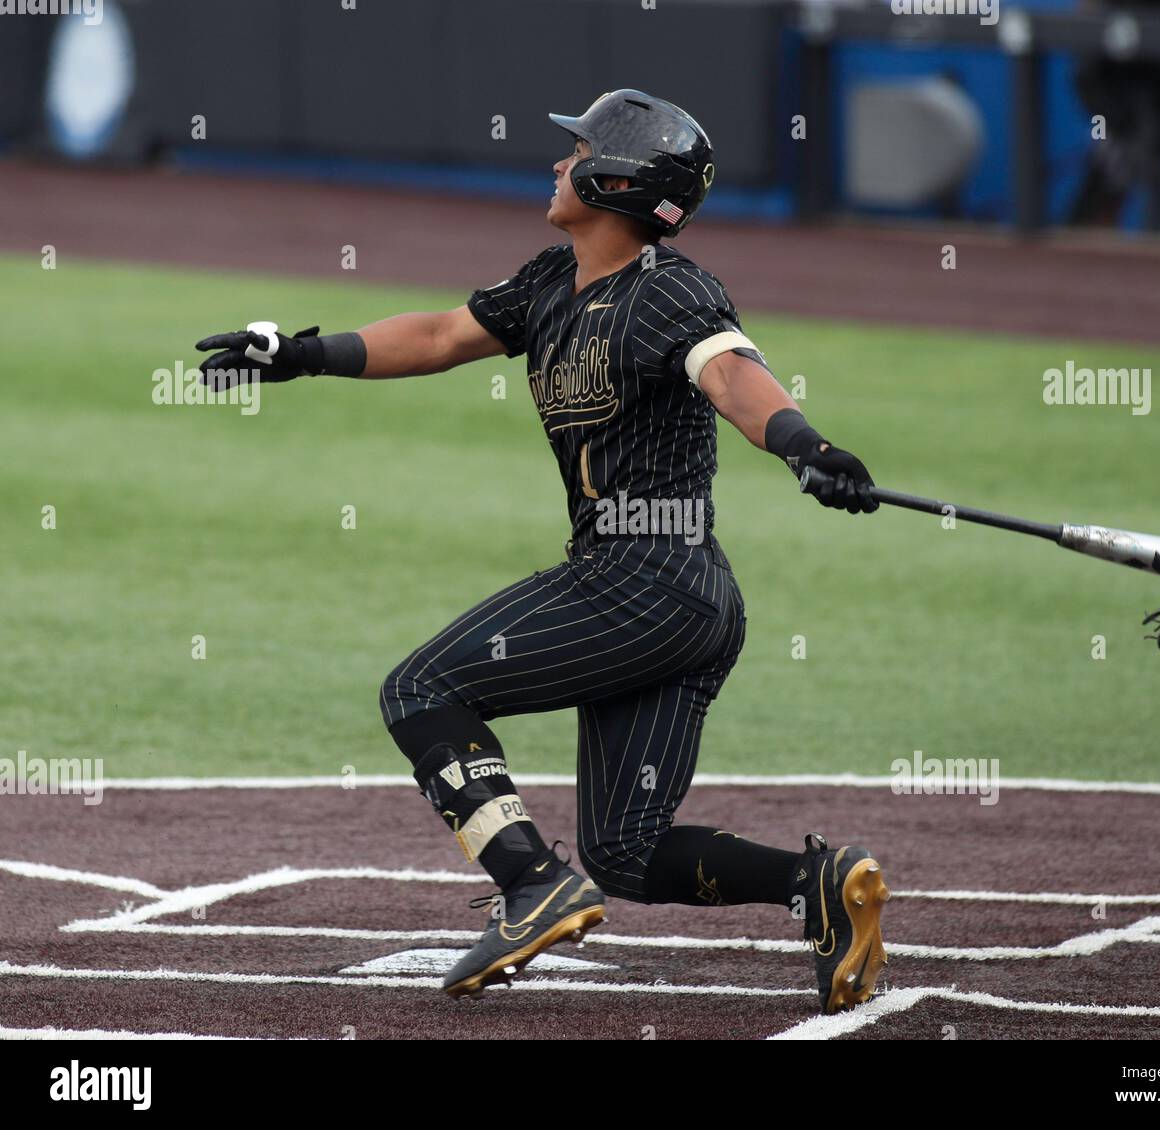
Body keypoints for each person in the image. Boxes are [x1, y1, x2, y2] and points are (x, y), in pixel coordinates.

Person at [194, 90, 889, 1016]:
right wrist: (306, 351)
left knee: (421, 690)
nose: (556, 165)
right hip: (682, 599)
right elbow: (441, 335)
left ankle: (530, 883)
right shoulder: (548, 284)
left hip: (645, 578)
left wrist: (804, 444)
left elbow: (731, 372)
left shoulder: (666, 289)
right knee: (627, 853)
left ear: (618, 179)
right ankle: (819, 885)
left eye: (576, 153)